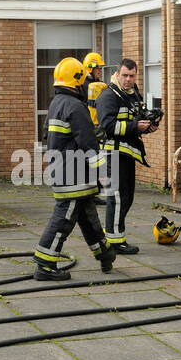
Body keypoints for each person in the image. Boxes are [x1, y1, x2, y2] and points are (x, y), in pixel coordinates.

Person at [33, 57, 115, 282]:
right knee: (64, 217)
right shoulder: (76, 106)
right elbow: (88, 142)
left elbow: (45, 134)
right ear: (77, 81)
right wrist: (104, 172)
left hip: (63, 170)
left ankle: (105, 253)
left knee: (88, 216)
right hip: (74, 175)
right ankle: (45, 262)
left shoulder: (56, 103)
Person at [96, 57, 156, 254]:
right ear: (117, 74)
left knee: (127, 196)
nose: (128, 79)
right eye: (125, 75)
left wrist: (148, 126)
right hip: (112, 152)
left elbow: (135, 120)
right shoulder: (108, 95)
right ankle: (113, 242)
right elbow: (108, 125)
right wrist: (134, 126)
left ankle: (116, 236)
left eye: (132, 76)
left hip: (127, 153)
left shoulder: (132, 94)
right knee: (117, 196)